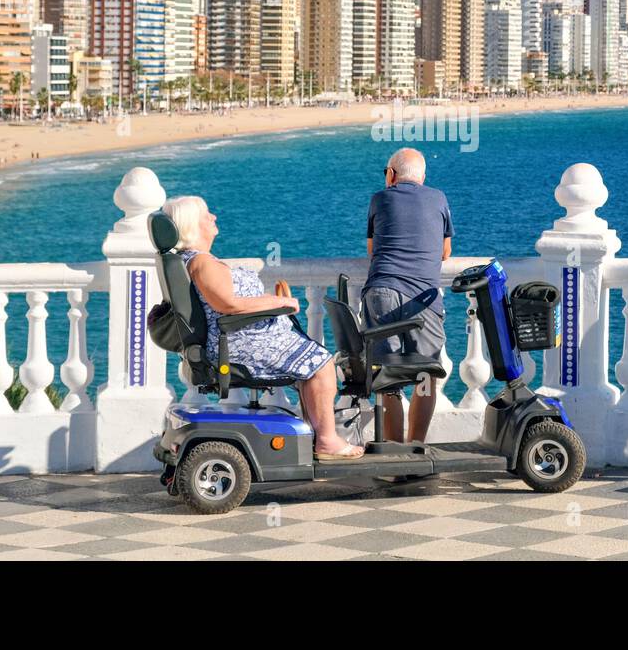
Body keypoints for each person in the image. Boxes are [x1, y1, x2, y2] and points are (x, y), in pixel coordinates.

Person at [162, 195, 363, 460]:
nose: (214, 217)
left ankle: (316, 437)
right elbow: (228, 305)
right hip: (240, 343)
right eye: (207, 214)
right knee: (321, 364)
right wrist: (279, 302)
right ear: (192, 225)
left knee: (310, 363)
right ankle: (327, 441)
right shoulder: (202, 262)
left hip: (240, 338)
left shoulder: (195, 260)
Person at [362, 147, 453, 443]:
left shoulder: (380, 198)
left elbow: (373, 251)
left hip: (382, 293)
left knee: (388, 377)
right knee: (425, 377)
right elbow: (445, 251)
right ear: (422, 178)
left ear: (391, 175)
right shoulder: (438, 198)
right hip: (423, 299)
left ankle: (394, 453)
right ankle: (416, 447)